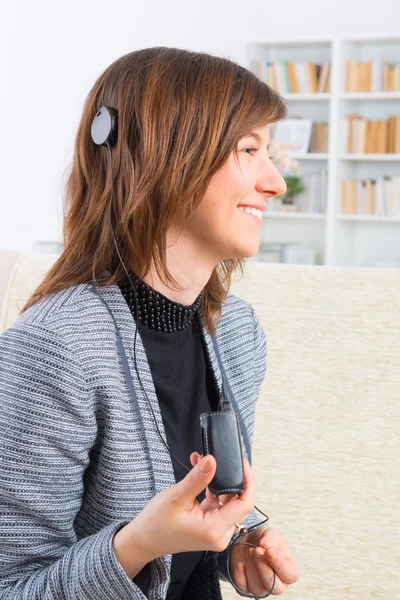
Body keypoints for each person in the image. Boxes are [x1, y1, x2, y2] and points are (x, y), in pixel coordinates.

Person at [0, 46, 300, 599]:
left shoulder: (236, 332)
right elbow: (13, 585)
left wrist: (235, 542)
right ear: (170, 155)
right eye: (248, 150)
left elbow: (200, 508)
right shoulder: (53, 347)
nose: (276, 182)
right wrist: (138, 543)